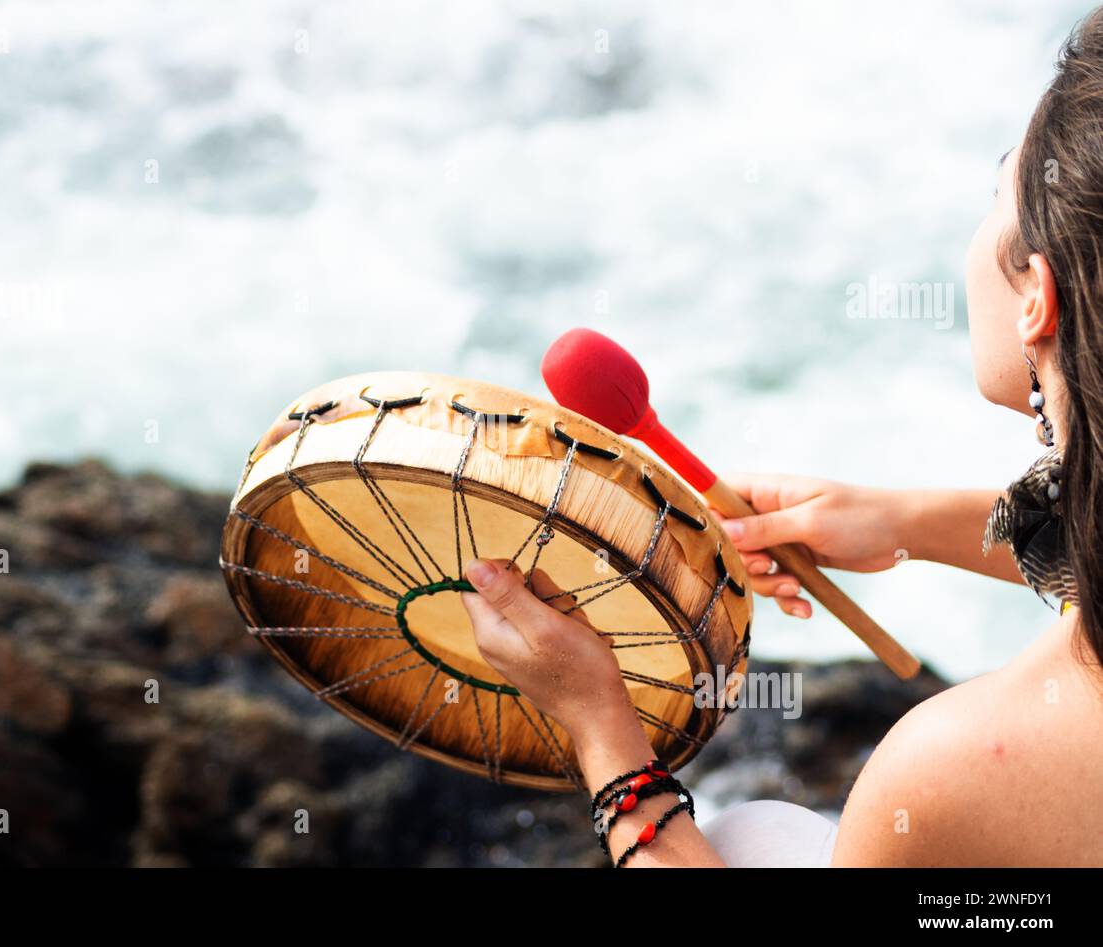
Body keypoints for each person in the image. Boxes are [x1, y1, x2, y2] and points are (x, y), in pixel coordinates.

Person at [459, 9, 1103, 867]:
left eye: (998, 191)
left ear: (1037, 297)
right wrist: (904, 522)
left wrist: (602, 734)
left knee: (752, 835)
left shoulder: (955, 773)